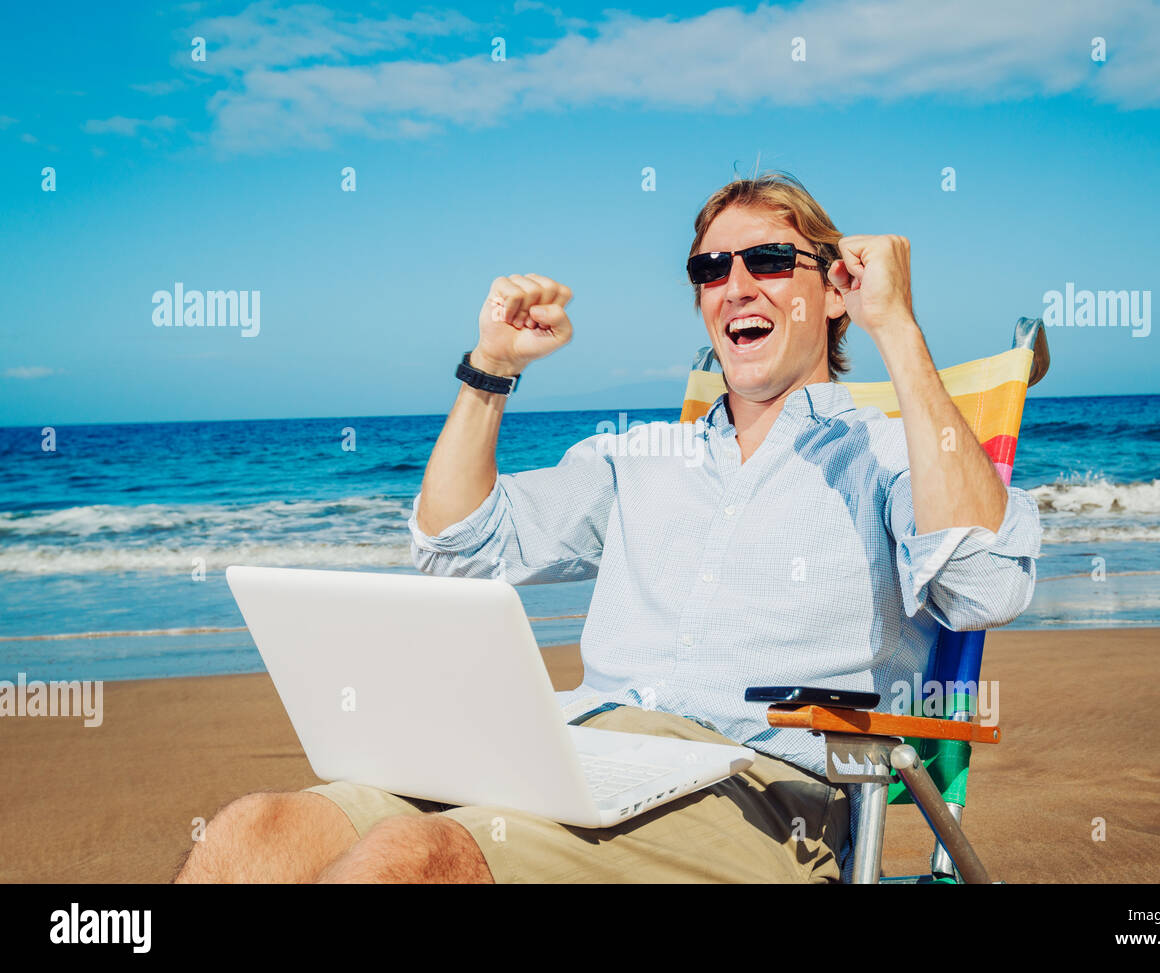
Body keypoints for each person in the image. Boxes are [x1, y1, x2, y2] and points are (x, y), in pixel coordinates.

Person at [175, 172, 1040, 884]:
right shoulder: (637, 456)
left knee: (411, 861)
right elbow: (457, 550)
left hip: (759, 797)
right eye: (710, 268)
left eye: (771, 260)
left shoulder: (891, 451)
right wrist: (492, 370)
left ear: (836, 290)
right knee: (248, 836)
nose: (735, 285)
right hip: (570, 758)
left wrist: (900, 326)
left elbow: (985, 580)